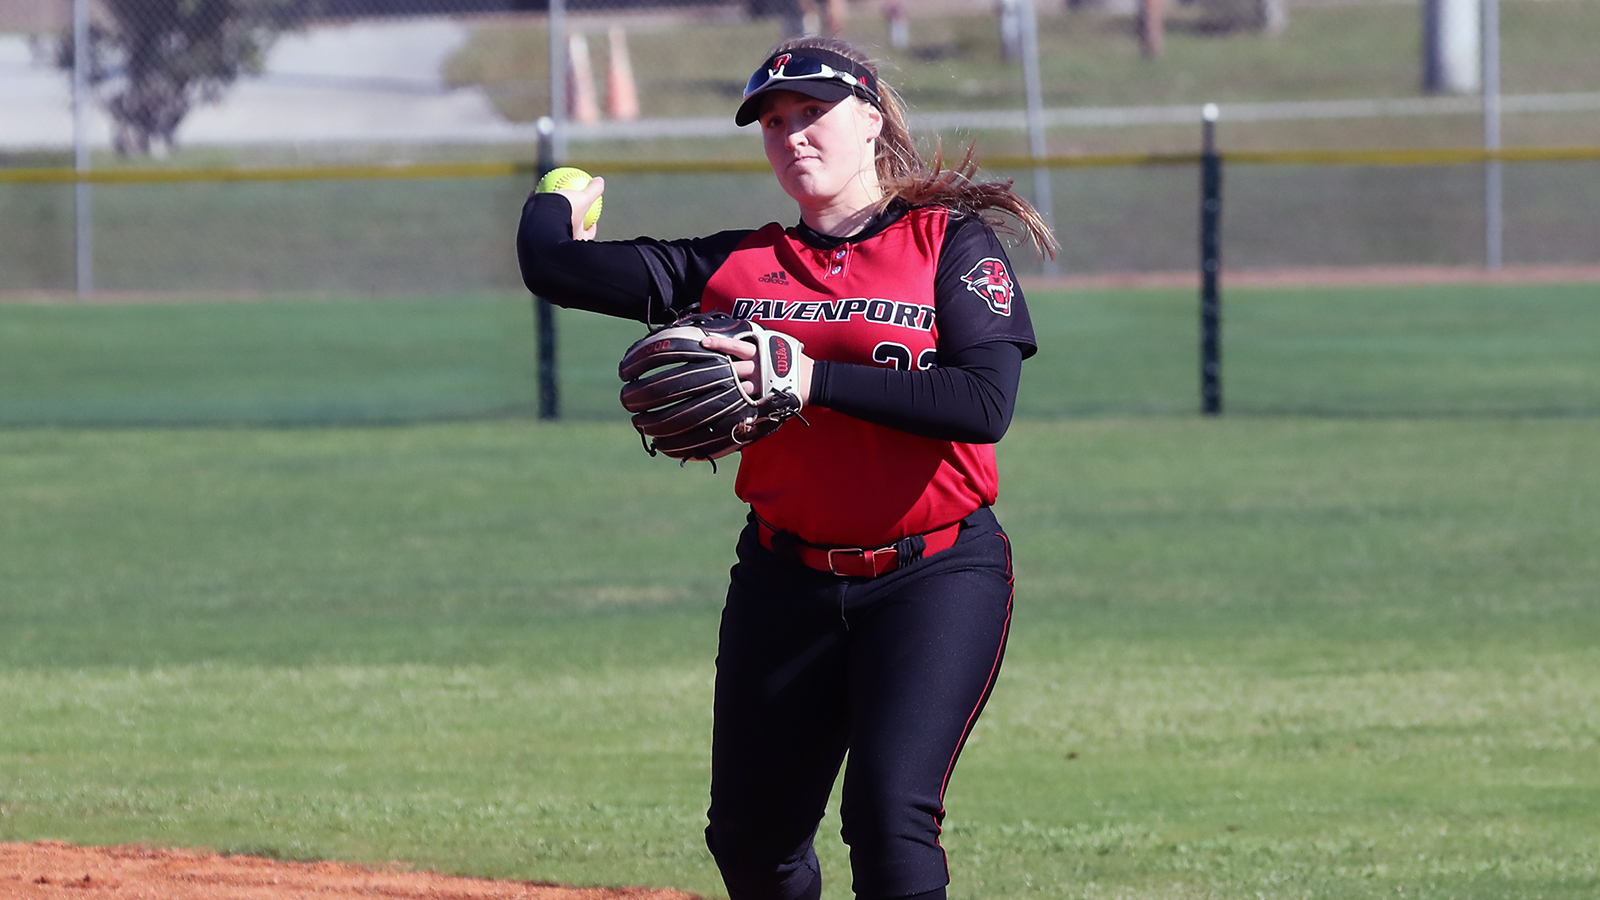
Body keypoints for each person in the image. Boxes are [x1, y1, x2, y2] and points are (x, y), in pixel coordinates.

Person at [517, 36, 1056, 900]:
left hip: (934, 575)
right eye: (773, 122)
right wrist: (556, 194)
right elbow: (551, 265)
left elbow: (982, 403)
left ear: (871, 119)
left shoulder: (947, 244)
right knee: (751, 842)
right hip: (785, 579)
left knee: (888, 821)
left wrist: (810, 378)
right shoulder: (737, 266)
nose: (793, 135)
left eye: (813, 113)